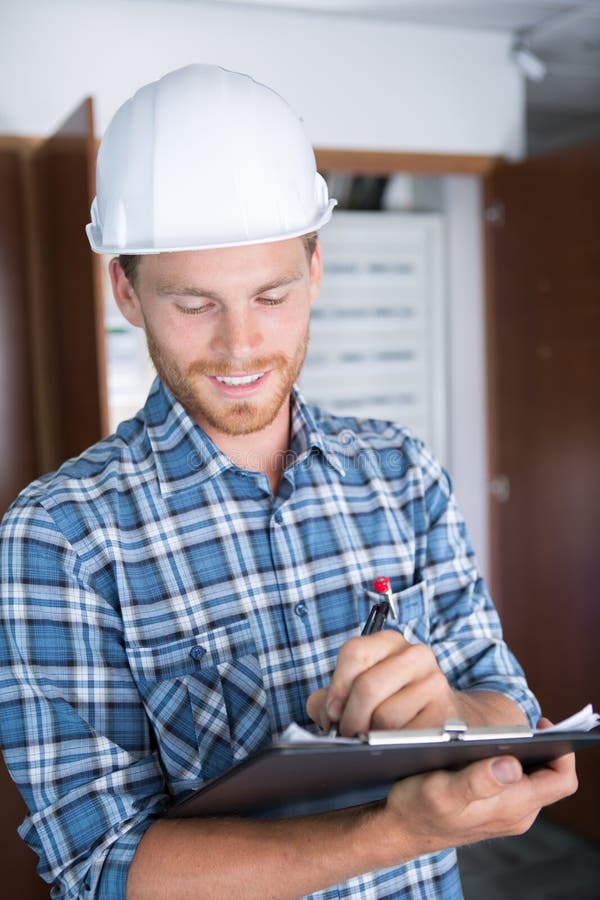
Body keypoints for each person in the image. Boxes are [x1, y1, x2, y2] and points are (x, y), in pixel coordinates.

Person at [0, 64, 576, 900]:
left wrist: (449, 708)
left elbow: (505, 709)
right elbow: (100, 869)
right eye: (193, 304)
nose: (241, 346)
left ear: (315, 269)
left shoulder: (401, 472)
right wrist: (397, 830)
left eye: (271, 294)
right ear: (126, 289)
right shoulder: (60, 536)